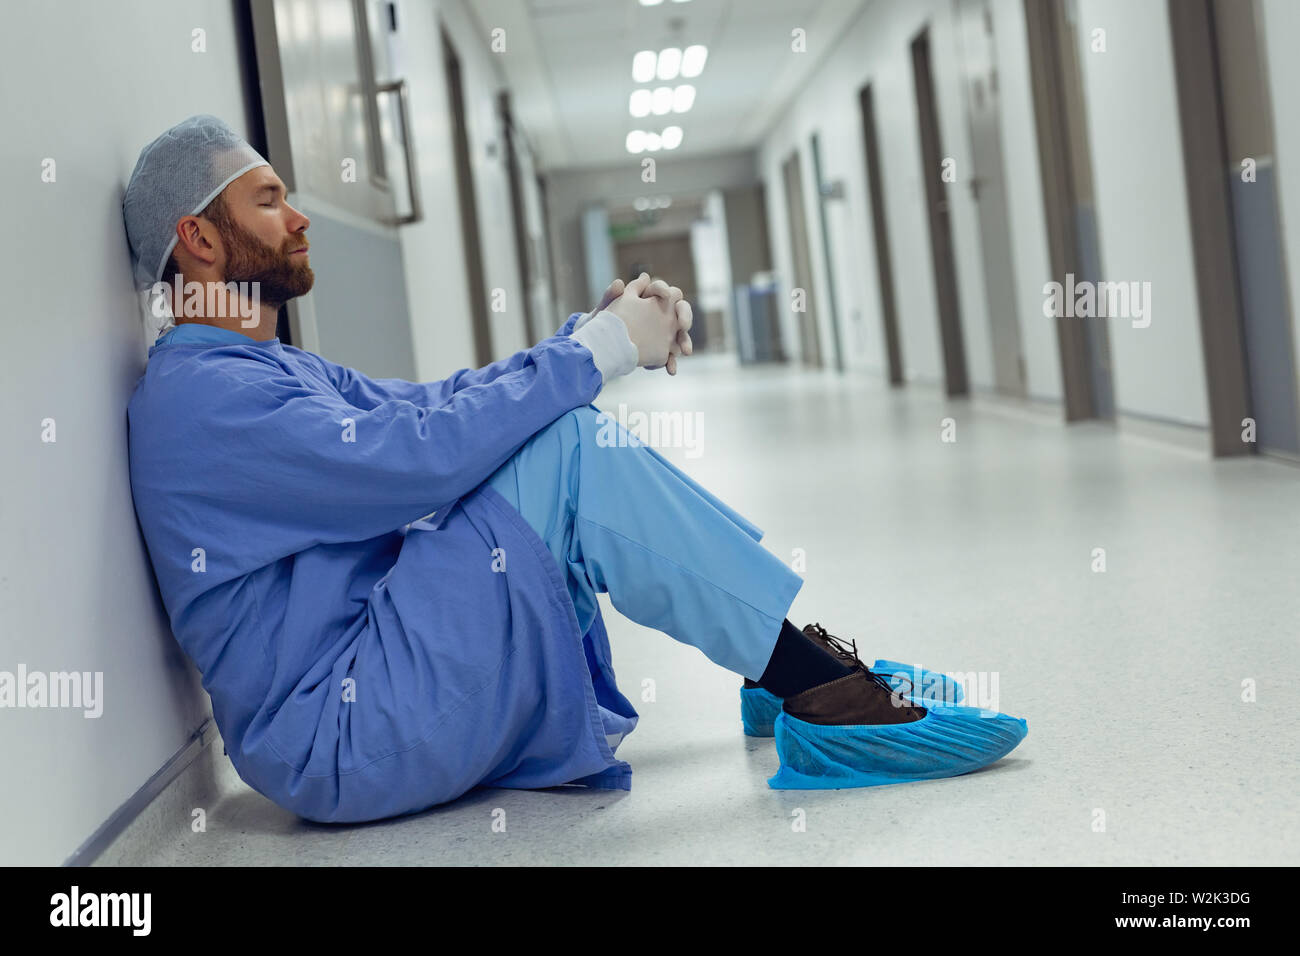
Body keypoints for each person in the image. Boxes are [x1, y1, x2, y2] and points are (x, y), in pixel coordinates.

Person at [122, 115, 1027, 823]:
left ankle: (776, 670)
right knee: (564, 448)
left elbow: (435, 406)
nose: (301, 215)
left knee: (551, 431)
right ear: (199, 241)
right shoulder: (204, 398)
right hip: (344, 732)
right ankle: (811, 689)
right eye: (270, 199)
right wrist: (596, 355)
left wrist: (584, 338)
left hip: (380, 667)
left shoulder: (266, 368)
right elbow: (419, 460)